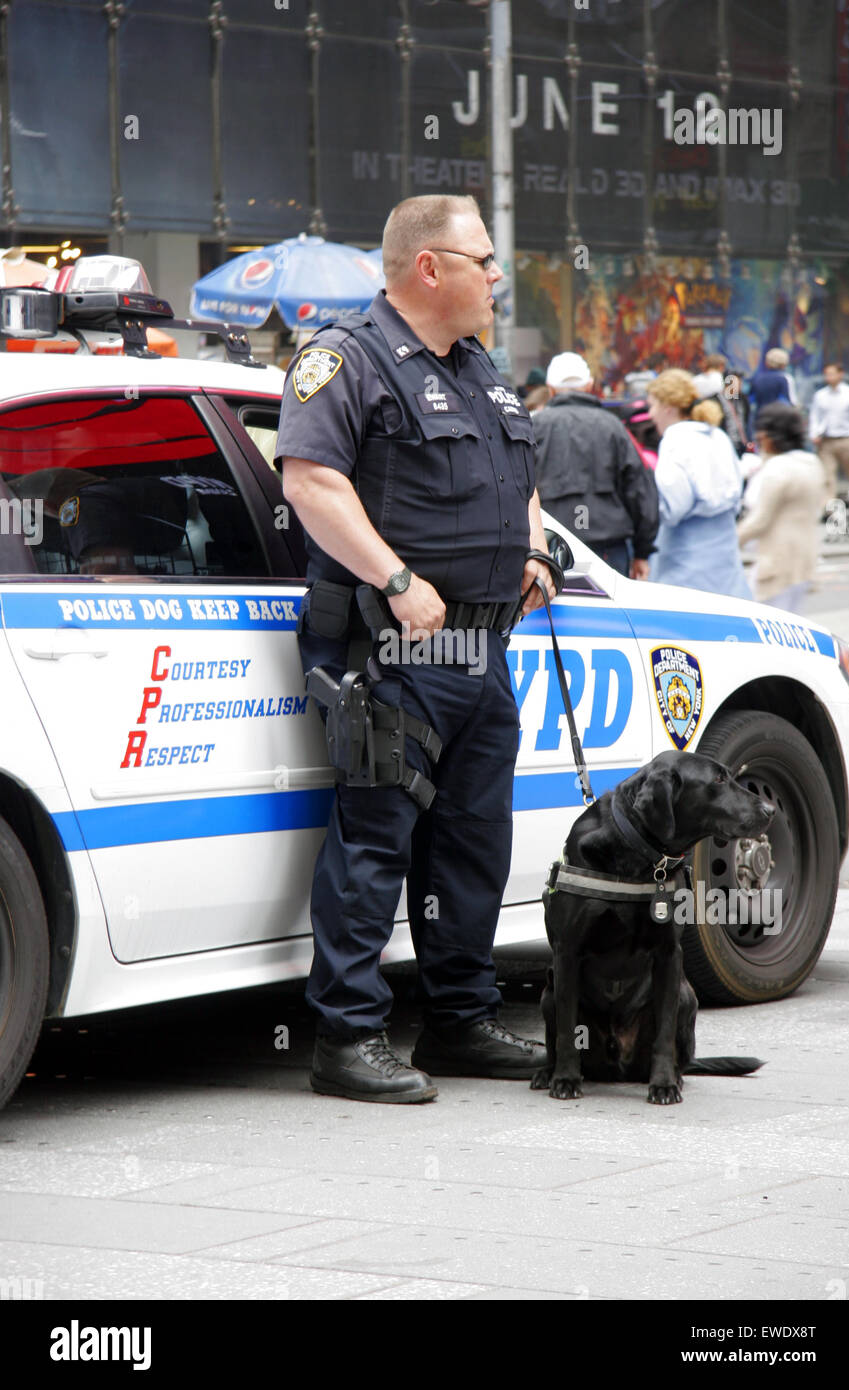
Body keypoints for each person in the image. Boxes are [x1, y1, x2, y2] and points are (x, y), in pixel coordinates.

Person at [276, 194, 554, 1104]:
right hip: (391, 649)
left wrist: (537, 549)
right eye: (484, 259)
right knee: (374, 843)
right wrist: (396, 580)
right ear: (428, 267)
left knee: (472, 842)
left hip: (483, 651)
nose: (498, 276)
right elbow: (312, 480)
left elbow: (519, 482)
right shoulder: (346, 359)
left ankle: (460, 1019)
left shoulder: (482, 369)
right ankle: (347, 1038)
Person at [531, 351, 658, 578]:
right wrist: (642, 551)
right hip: (609, 549)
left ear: (550, 389)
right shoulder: (614, 427)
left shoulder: (534, 427)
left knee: (551, 612)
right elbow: (641, 492)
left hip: (549, 547)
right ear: (590, 386)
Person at [646, 368, 751, 599]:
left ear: (667, 407)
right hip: (725, 560)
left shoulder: (675, 440)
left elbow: (672, 506)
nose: (651, 415)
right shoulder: (717, 436)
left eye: (652, 406)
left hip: (685, 562)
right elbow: (737, 491)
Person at [736, 403, 824, 615]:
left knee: (767, 628)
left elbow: (760, 521)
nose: (759, 439)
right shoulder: (811, 462)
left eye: (761, 435)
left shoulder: (778, 469)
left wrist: (731, 540)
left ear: (771, 436)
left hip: (776, 562)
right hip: (803, 561)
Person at [809, 362, 849, 508]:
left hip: (848, 440)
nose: (829, 377)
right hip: (827, 440)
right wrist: (814, 433)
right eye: (827, 374)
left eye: (832, 373)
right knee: (828, 476)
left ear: (840, 374)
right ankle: (829, 506)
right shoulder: (820, 395)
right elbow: (814, 416)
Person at [749, 347, 797, 414]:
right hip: (778, 418)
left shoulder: (758, 378)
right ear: (784, 364)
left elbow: (751, 400)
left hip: (760, 417)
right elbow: (790, 402)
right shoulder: (785, 378)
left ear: (767, 362)